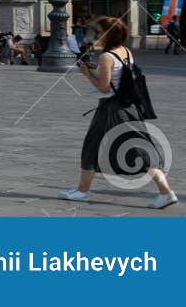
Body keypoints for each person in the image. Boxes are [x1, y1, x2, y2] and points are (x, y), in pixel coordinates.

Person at [62, 16, 177, 208]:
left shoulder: (106, 57)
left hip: (111, 110)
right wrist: (96, 69)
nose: (95, 35)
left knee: (92, 148)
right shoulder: (125, 51)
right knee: (139, 149)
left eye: (98, 32)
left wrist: (87, 73)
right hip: (128, 107)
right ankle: (166, 192)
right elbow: (119, 77)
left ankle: (82, 192)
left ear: (106, 35)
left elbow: (105, 87)